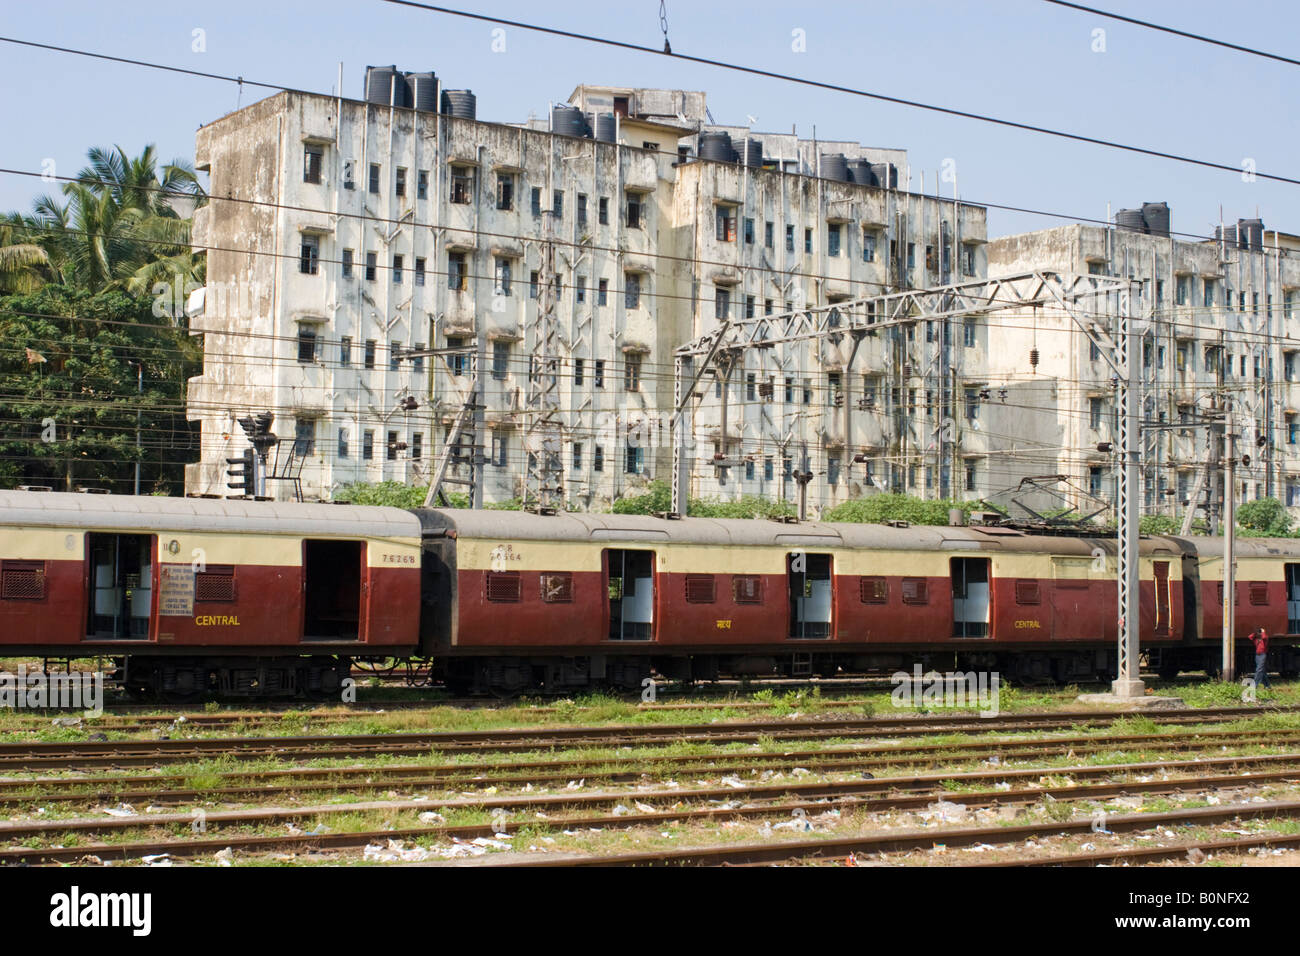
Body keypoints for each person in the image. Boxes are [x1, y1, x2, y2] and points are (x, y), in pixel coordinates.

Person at [1252, 626, 1272, 690]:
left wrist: (1263, 632)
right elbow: (1250, 637)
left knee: (1259, 670)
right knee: (1262, 671)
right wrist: (1255, 632)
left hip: (1262, 655)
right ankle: (1267, 685)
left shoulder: (1265, 639)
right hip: (1257, 656)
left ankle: (1255, 685)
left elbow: (1264, 637)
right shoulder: (1256, 640)